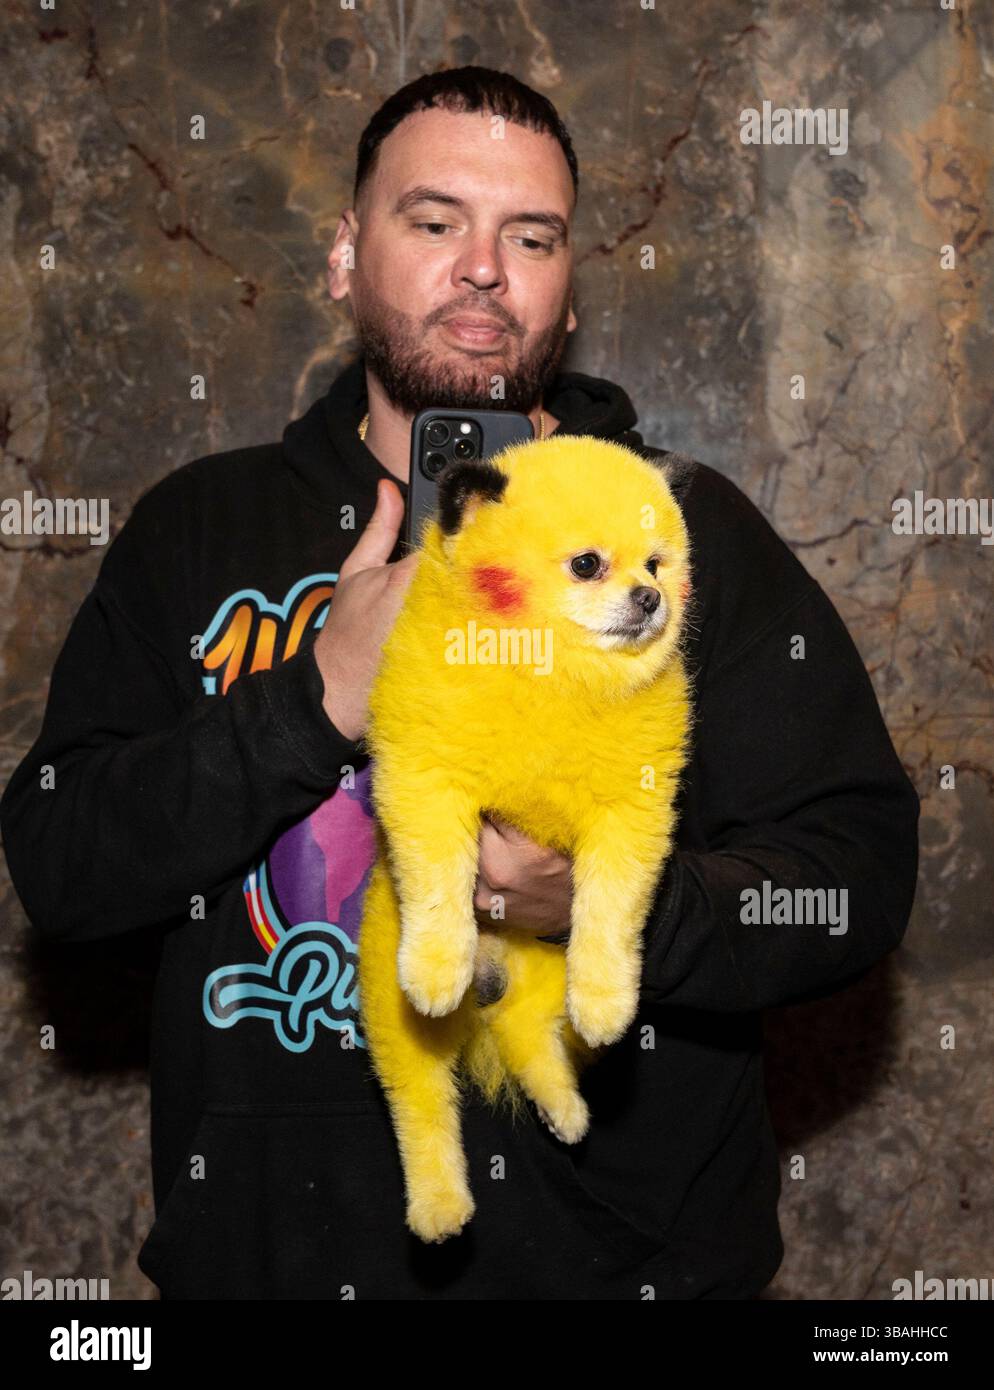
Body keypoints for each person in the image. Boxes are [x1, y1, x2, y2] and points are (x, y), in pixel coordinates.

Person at [0, 66, 920, 1300]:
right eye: (433, 222)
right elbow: (60, 860)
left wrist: (603, 908)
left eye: (528, 235)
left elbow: (853, 871)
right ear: (342, 256)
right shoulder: (197, 531)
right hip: (270, 1267)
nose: (482, 267)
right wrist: (318, 692)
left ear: (566, 285)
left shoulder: (674, 531)